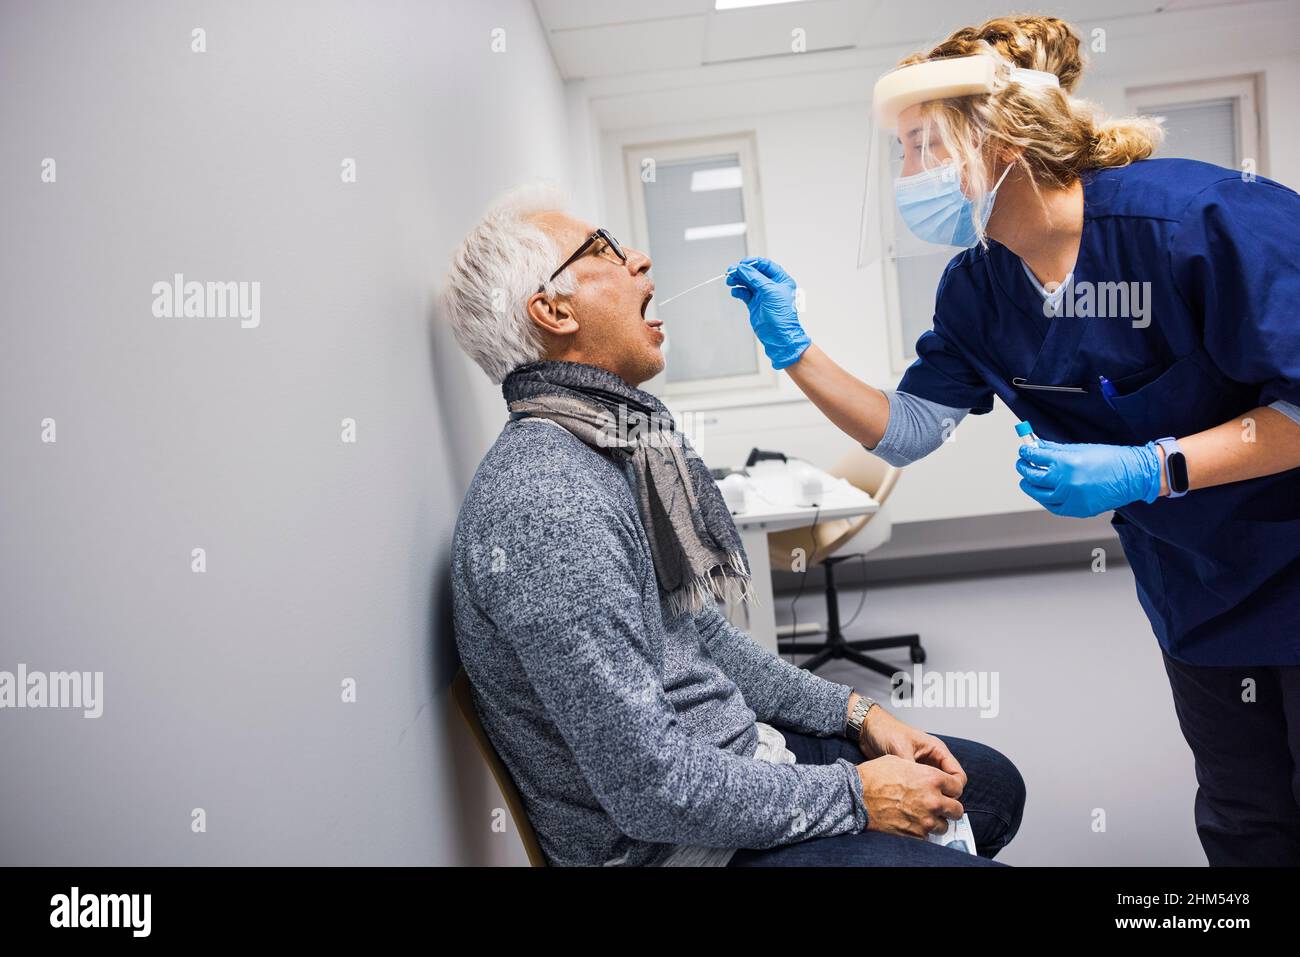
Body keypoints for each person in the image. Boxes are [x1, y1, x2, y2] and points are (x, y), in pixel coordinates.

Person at [725, 15, 1300, 866]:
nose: (908, 177)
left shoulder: (1197, 221)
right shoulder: (977, 291)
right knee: (1246, 815)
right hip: (1196, 591)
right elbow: (910, 429)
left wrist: (1155, 464)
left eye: (922, 147)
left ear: (997, 140)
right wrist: (794, 350)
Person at [440, 184, 1025, 866]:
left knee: (989, 789)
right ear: (552, 309)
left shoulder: (616, 448)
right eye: (604, 249)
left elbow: (707, 641)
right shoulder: (547, 502)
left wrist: (860, 714)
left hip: (738, 758)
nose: (640, 260)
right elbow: (649, 788)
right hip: (681, 847)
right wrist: (858, 795)